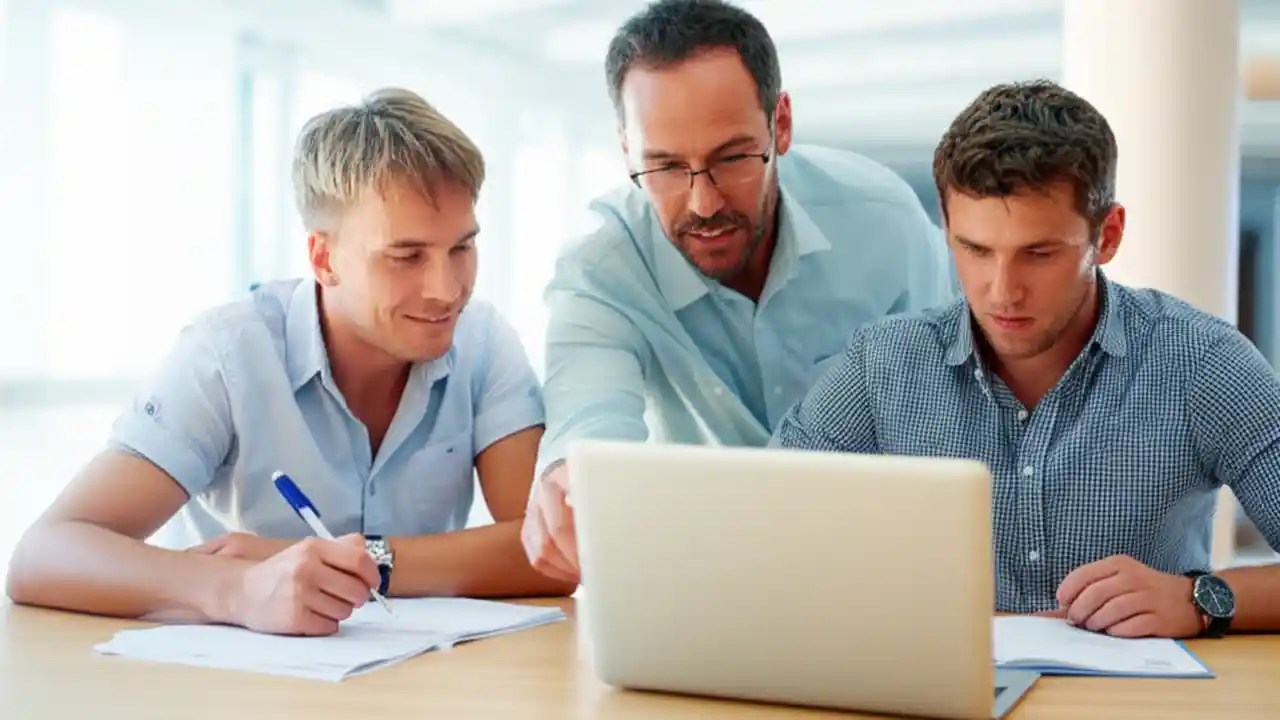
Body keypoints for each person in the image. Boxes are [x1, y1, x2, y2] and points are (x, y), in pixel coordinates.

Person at [5, 88, 575, 636]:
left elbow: (553, 552)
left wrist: (358, 561)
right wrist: (237, 588)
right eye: (407, 257)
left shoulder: (483, 343)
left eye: (461, 248)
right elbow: (43, 555)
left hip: (415, 679)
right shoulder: (227, 353)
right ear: (324, 258)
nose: (447, 289)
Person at [773, 79, 1280, 638]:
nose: (1002, 291)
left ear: (1106, 236)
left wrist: (1199, 599)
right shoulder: (882, 366)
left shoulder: (1201, 362)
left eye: (1038, 255)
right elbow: (762, 531)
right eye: (975, 250)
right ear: (946, 227)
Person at [521, 0, 954, 584]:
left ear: (781, 124)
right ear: (626, 147)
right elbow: (586, 422)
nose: (704, 204)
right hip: (701, 578)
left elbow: (944, 427)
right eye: (667, 167)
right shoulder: (601, 271)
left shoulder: (886, 225)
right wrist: (570, 477)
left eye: (731, 158)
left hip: (874, 570)